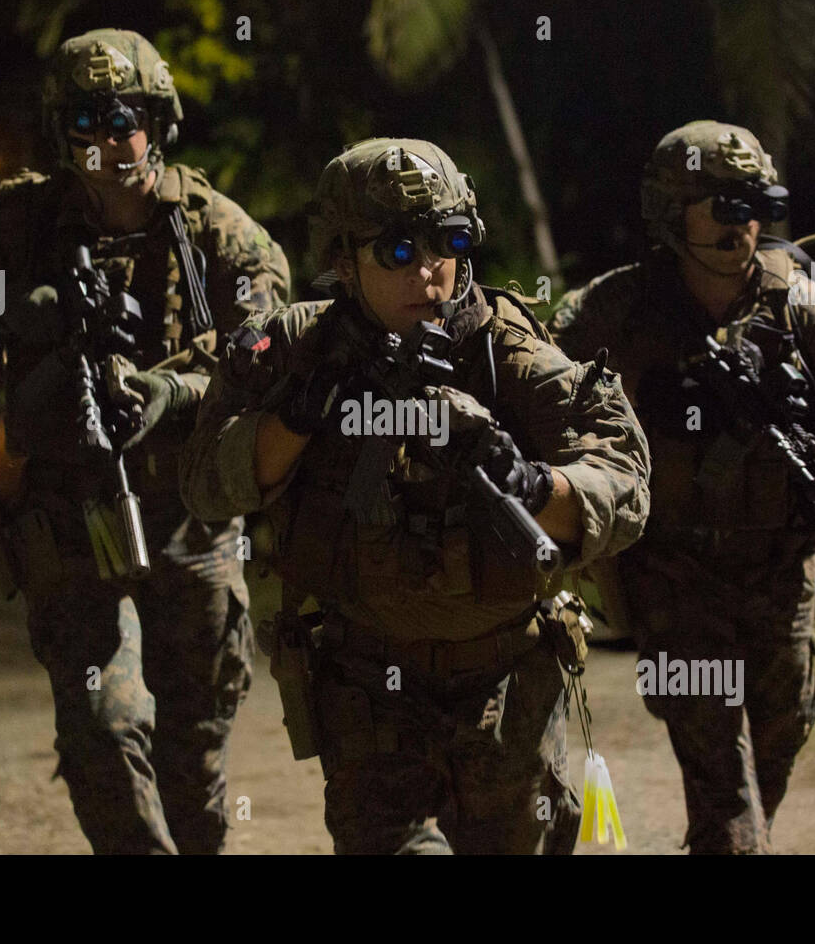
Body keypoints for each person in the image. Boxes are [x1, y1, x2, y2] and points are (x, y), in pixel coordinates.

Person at [179, 137, 650, 854]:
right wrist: (296, 418)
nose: (429, 272)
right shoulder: (296, 348)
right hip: (366, 689)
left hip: (503, 682)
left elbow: (624, 486)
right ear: (343, 262)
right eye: (398, 251)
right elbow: (207, 486)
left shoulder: (506, 346)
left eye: (448, 242)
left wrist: (528, 481)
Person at [0, 29, 290, 854]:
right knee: (101, 726)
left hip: (191, 521)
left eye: (126, 116)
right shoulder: (11, 229)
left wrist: (174, 391)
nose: (107, 137)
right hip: (72, 518)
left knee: (192, 754)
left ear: (158, 123)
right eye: (85, 118)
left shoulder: (219, 235)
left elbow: (271, 360)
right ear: (62, 132)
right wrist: (16, 316)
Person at [550, 120, 815, 853]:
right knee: (718, 768)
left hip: (781, 572)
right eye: (721, 205)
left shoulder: (800, 306)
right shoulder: (613, 312)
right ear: (670, 213)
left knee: (784, 729)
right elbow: (537, 388)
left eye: (754, 205)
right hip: (672, 575)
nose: (742, 224)